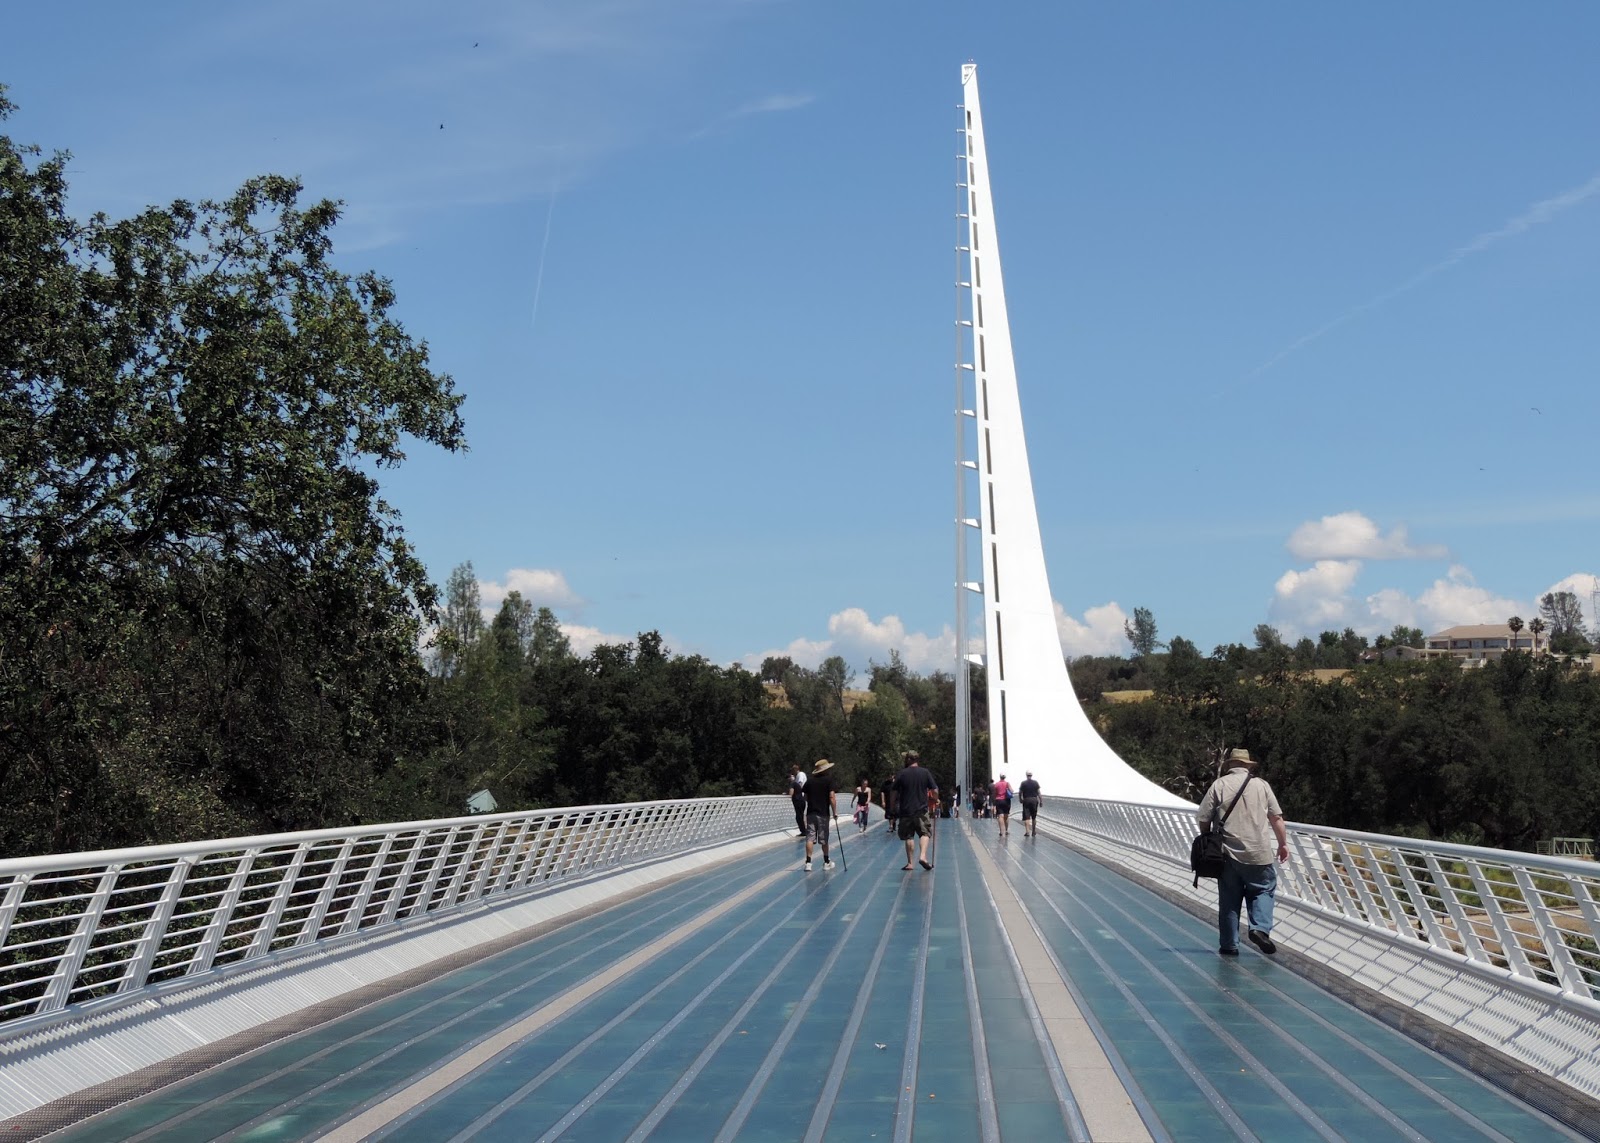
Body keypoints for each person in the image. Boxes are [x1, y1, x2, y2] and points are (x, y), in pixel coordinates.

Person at [1197, 747, 1289, 957]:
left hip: (1227, 853)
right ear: (1248, 766)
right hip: (1259, 853)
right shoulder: (1262, 785)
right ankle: (1259, 929)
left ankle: (1229, 945)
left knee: (1229, 898)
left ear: (1230, 765)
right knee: (1263, 889)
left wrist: (1208, 837)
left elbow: (1203, 818)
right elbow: (1276, 818)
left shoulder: (1219, 785)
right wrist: (1283, 844)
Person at [890, 751, 939, 871]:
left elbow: (893, 791)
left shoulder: (902, 773)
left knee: (908, 836)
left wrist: (892, 806)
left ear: (908, 760)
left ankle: (910, 863)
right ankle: (922, 856)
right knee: (925, 833)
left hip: (906, 810)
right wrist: (936, 799)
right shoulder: (925, 772)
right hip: (921, 810)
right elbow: (935, 789)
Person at [803, 759, 838, 871]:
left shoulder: (809, 781)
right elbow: (832, 797)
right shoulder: (829, 781)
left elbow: (805, 797)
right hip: (823, 813)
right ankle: (826, 862)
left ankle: (808, 863)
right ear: (826, 769)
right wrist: (835, 812)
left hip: (811, 813)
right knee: (824, 839)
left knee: (810, 837)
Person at [1018, 771, 1041, 838]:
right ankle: (1033, 831)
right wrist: (1041, 801)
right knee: (1034, 817)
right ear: (1031, 775)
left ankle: (1027, 831)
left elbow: (1020, 792)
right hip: (1034, 799)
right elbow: (1039, 793)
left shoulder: (1023, 783)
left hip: (1026, 800)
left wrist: (1020, 799)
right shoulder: (1035, 783)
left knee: (1027, 817)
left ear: (1026, 775)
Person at [788, 766, 808, 837]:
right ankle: (804, 830)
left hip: (799, 799)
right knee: (801, 815)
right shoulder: (799, 777)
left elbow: (797, 787)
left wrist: (792, 782)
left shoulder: (800, 775)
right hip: (802, 799)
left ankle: (804, 831)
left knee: (799, 816)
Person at [991, 773, 1012, 837]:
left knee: (1000, 816)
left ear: (1000, 777)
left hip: (999, 800)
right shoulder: (1007, 783)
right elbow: (1012, 791)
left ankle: (1001, 831)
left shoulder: (996, 784)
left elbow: (994, 793)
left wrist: (993, 801)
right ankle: (1006, 830)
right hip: (1006, 801)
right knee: (1006, 815)